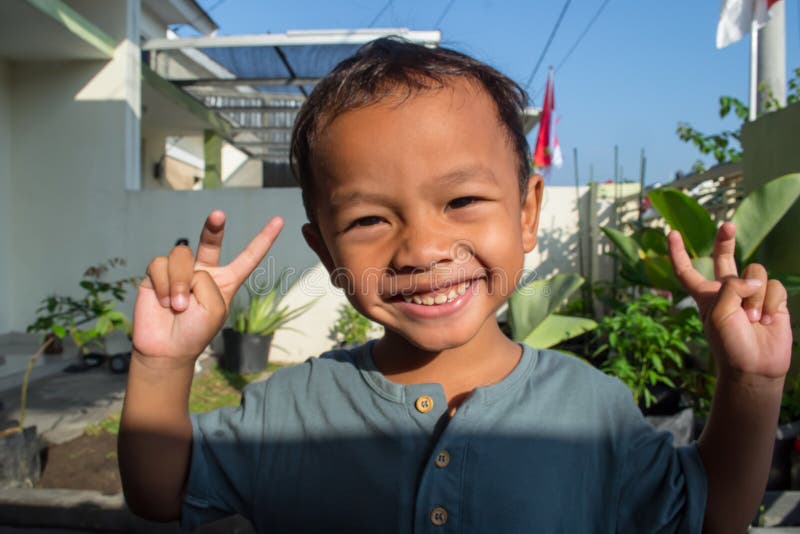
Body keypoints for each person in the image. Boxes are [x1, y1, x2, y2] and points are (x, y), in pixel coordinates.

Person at [118, 38, 792, 533]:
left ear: (526, 213)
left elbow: (711, 515)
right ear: (325, 251)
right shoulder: (289, 412)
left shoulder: (591, 411)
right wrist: (163, 363)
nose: (422, 249)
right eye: (369, 219)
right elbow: (161, 492)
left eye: (462, 200)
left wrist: (752, 381)